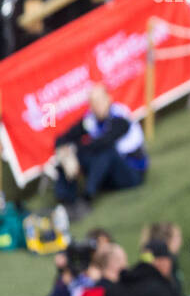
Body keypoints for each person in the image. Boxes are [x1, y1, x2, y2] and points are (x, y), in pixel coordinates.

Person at [53, 83, 148, 217]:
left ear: (109, 99)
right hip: (108, 174)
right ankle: (66, 202)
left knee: (105, 151)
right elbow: (62, 138)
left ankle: (86, 200)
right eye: (93, 103)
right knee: (65, 154)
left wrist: (74, 149)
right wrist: (65, 153)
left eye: (99, 100)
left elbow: (103, 142)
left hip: (132, 173)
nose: (96, 106)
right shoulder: (90, 120)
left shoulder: (120, 117)